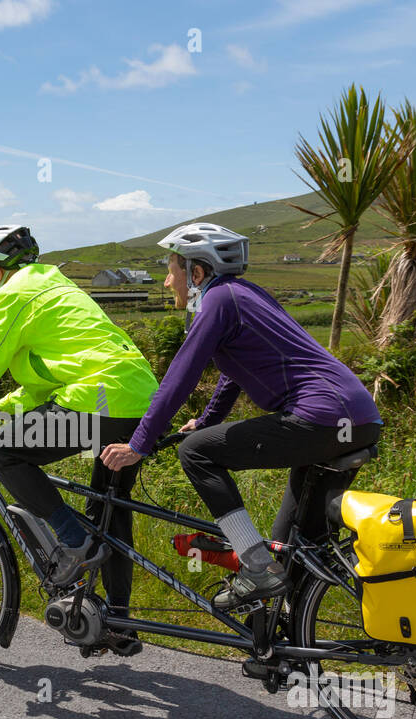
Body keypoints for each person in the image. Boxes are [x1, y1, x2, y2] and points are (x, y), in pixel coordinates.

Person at [100, 222, 382, 610]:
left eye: (172, 271)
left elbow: (179, 379)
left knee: (196, 453)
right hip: (359, 420)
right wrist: (207, 420)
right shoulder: (244, 294)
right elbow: (234, 370)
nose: (167, 283)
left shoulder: (216, 301)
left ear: (196, 273)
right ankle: (284, 651)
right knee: (290, 551)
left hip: (320, 416)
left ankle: (254, 567)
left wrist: (139, 443)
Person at [0, 225, 158, 649]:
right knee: (108, 511)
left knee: (1, 451)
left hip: (96, 405)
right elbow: (58, 368)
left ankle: (71, 538)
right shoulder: (57, 287)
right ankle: (117, 620)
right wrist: (7, 405)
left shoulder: (13, 294)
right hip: (138, 405)